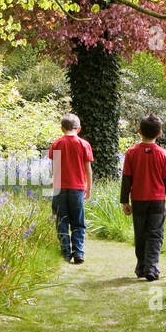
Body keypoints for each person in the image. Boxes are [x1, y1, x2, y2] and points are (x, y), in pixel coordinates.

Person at [120, 114, 166, 281]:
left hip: (138, 199)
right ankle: (151, 267)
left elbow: (126, 179)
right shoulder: (164, 155)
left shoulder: (131, 153)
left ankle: (142, 266)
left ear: (139, 131)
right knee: (155, 234)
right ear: (160, 133)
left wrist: (125, 201)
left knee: (140, 233)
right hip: (157, 200)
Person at [49, 113, 94, 264]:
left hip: (60, 188)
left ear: (62, 128)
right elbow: (88, 168)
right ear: (79, 129)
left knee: (61, 220)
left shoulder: (56, 144)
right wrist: (89, 186)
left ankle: (65, 253)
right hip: (78, 187)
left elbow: (55, 168)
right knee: (78, 221)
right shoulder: (84, 144)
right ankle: (79, 252)